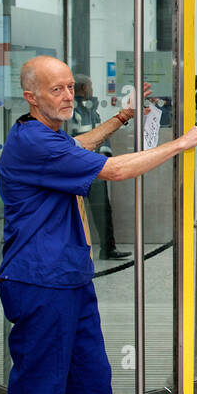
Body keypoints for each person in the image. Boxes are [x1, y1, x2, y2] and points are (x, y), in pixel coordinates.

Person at [0, 56, 197, 394]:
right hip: (39, 283)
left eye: (71, 86)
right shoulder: (33, 143)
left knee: (91, 380)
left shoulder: (47, 137)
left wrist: (121, 118)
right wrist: (183, 141)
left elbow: (78, 145)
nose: (68, 95)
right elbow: (112, 171)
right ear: (31, 96)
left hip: (70, 278)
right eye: (57, 89)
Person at [72, 74, 129, 260]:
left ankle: (108, 248)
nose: (92, 89)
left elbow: (101, 136)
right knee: (74, 211)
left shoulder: (92, 109)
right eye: (89, 86)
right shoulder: (73, 111)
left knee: (103, 209)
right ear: (83, 88)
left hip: (95, 168)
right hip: (79, 169)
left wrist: (104, 157)